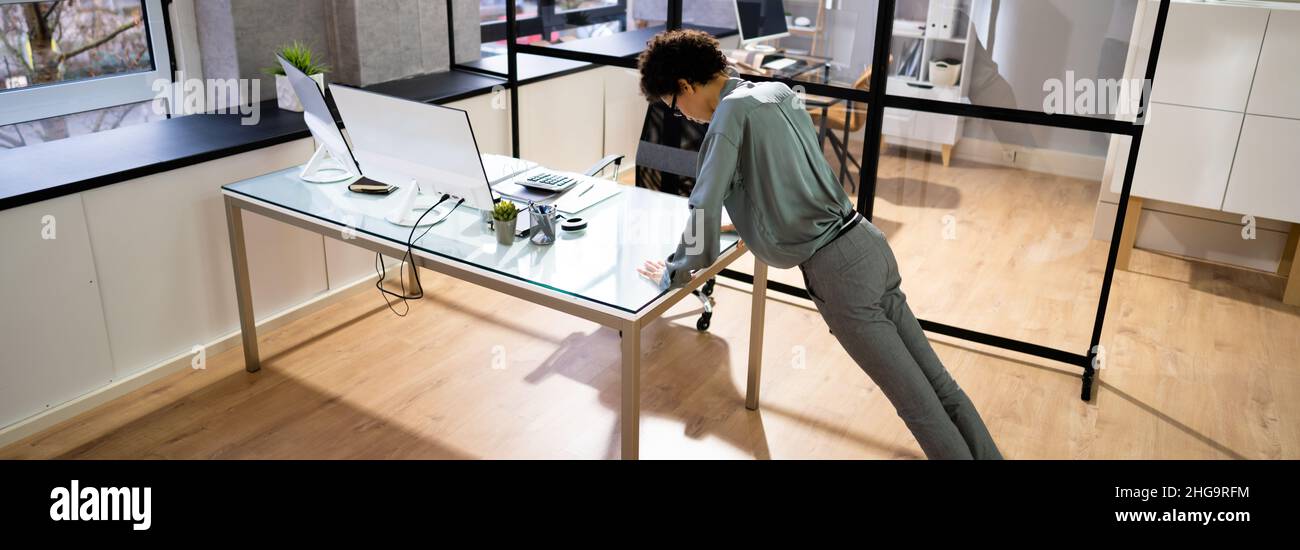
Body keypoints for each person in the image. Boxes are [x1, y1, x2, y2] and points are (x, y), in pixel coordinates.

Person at [634, 30, 1002, 460]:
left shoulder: (727, 118)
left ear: (684, 85)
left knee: (917, 406)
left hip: (840, 274)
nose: (682, 117)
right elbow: (783, 186)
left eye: (674, 107)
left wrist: (674, 271)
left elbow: (702, 209)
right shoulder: (776, 92)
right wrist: (742, 227)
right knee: (940, 386)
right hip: (868, 243)